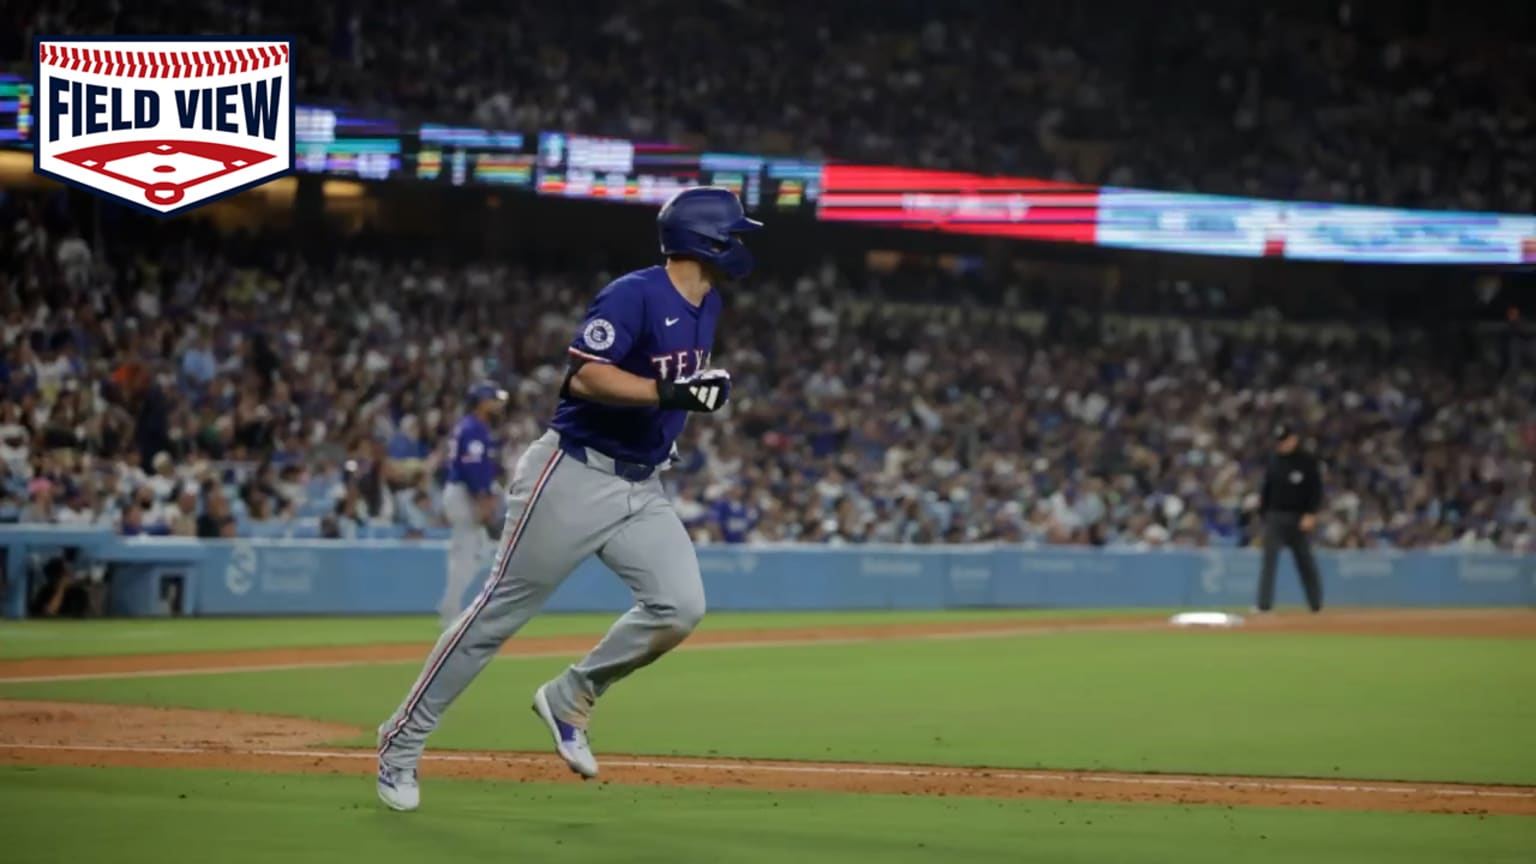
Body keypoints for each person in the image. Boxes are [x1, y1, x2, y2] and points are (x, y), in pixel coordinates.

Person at [376, 186, 757, 812]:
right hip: (573, 475)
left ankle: (570, 695)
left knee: (680, 607)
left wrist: (690, 397)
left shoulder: (708, 301)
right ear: (705, 240)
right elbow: (586, 373)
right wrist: (672, 396)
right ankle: (401, 741)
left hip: (642, 483)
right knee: (494, 616)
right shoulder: (634, 293)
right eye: (734, 233)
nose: (741, 244)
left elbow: (673, 389)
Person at [436, 381, 507, 628]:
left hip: (463, 493)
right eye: (494, 399)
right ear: (482, 402)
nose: (498, 404)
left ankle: (455, 607)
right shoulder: (474, 427)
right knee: (466, 554)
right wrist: (483, 499)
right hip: (465, 494)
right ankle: (451, 612)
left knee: (476, 551)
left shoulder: (472, 426)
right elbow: (473, 467)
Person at [1255, 424, 1324, 613]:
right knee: (1269, 563)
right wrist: (1263, 514)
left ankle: (1315, 604)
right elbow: (1266, 490)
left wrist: (1311, 513)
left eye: (1285, 440)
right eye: (1279, 441)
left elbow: (1315, 489)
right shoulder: (1274, 460)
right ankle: (1264, 605)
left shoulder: (1306, 461)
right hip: (1275, 517)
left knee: (1305, 562)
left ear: (1293, 439)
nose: (1282, 445)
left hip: (1299, 518)